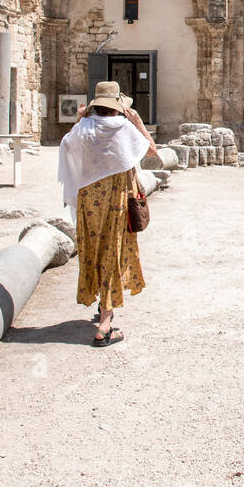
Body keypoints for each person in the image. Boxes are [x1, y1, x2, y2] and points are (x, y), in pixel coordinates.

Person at [56, 81, 158, 346]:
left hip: (89, 201)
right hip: (117, 201)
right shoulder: (123, 128)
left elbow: (66, 147)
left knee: (94, 250)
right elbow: (151, 150)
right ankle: (104, 324)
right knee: (112, 252)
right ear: (118, 108)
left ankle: (102, 301)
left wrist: (79, 119)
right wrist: (137, 122)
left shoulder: (83, 129)